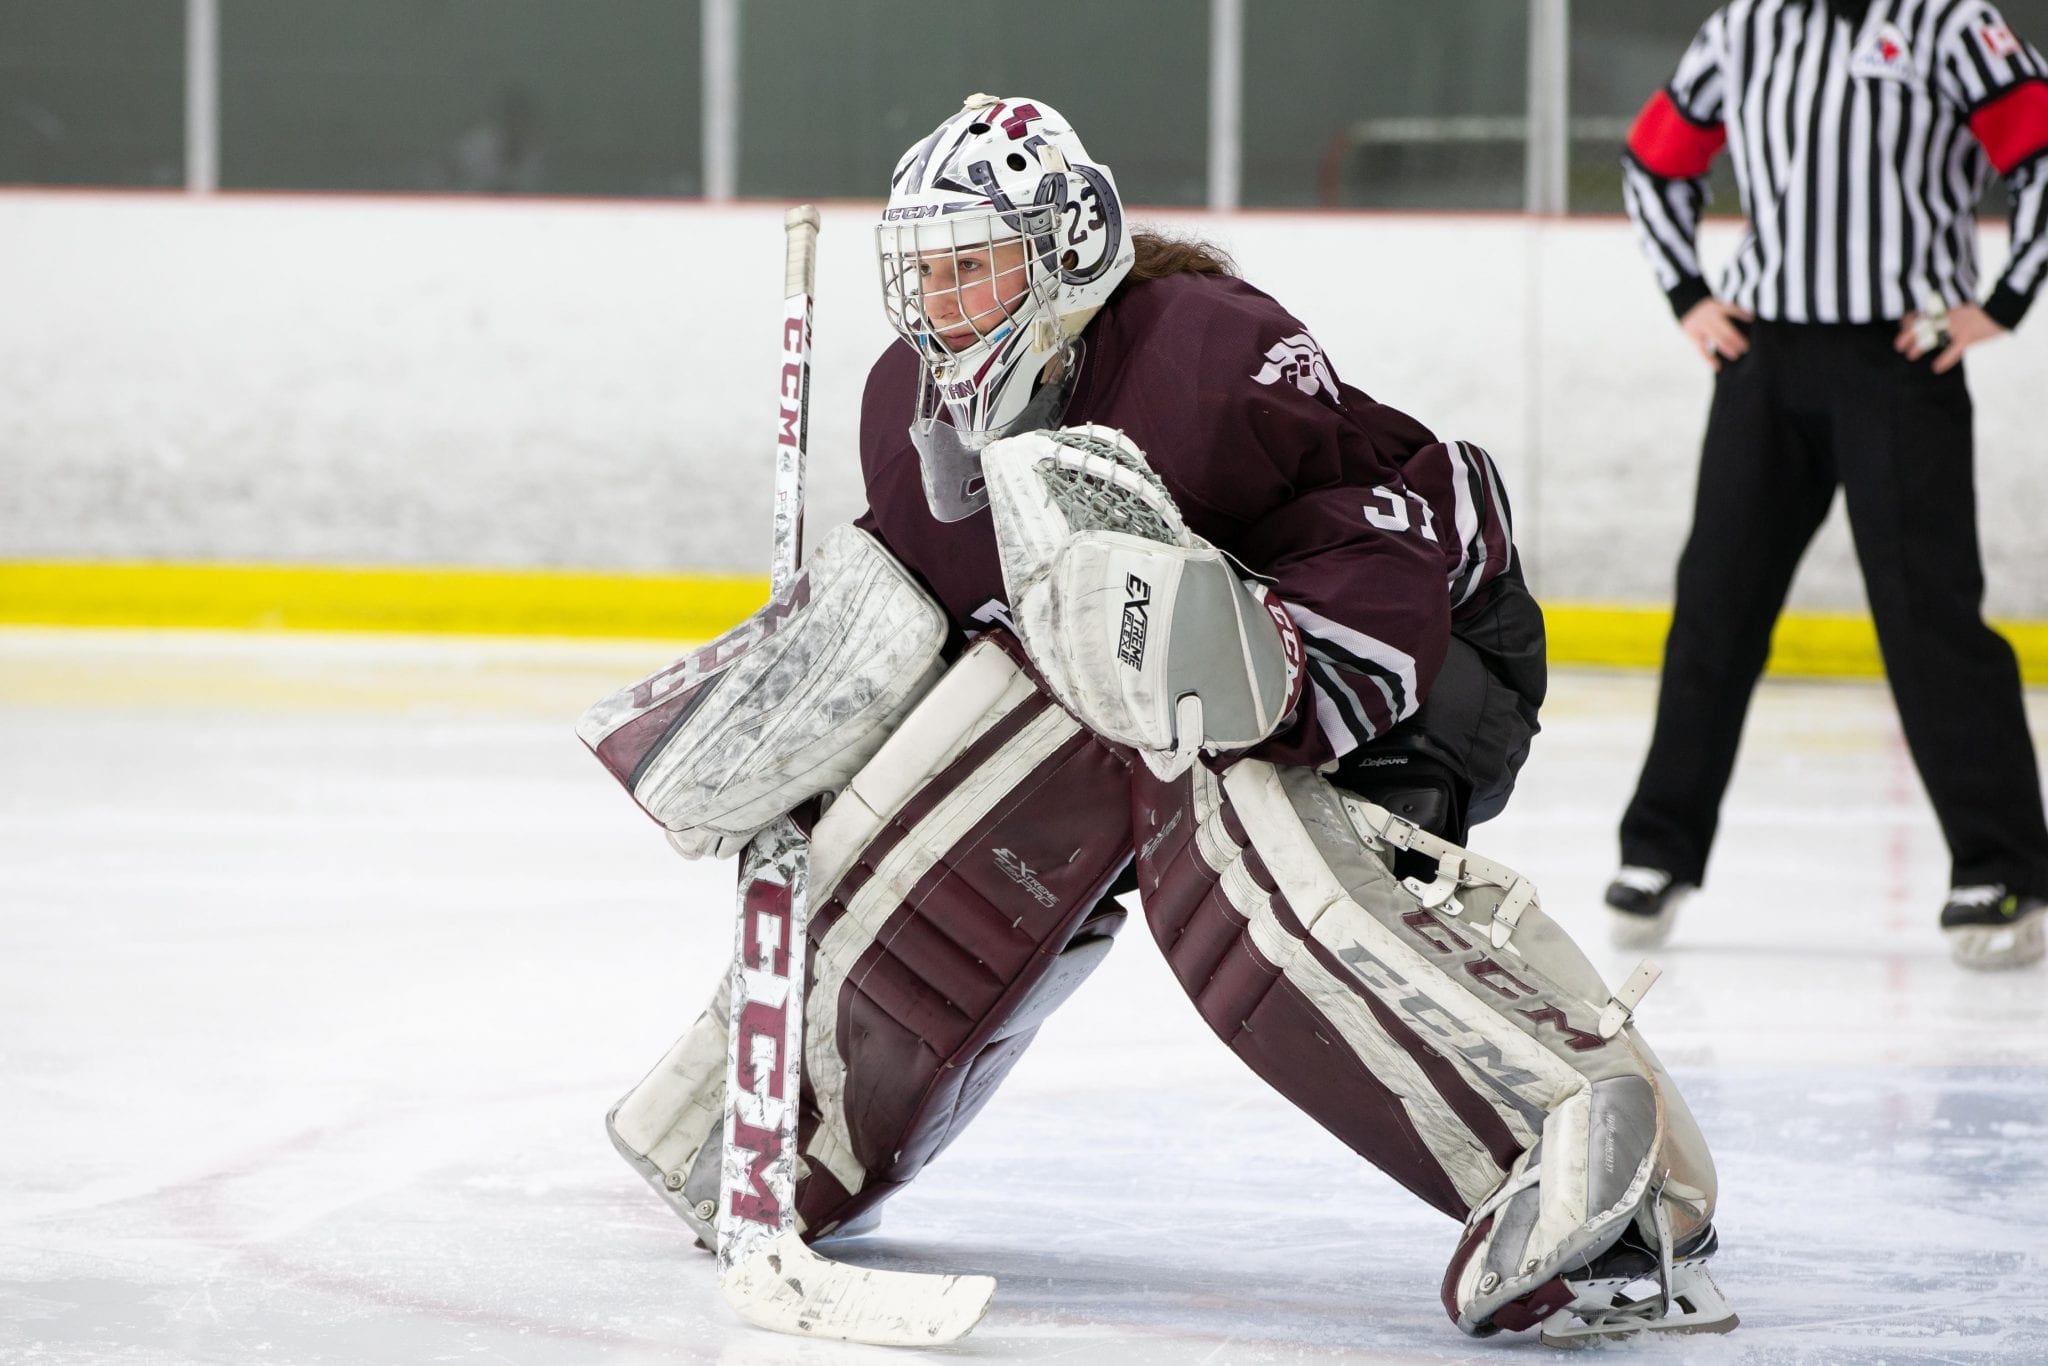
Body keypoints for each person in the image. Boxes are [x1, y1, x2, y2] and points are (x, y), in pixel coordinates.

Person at [581, 95, 1733, 1343]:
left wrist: (1275, 672)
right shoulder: (903, 411)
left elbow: (1388, 541)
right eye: (928, 274)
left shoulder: (1202, 348)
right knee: (999, 758)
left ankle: (1592, 1179)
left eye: (978, 267)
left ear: (1071, 243)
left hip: (1430, 658)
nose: (946, 307)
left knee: (1222, 804)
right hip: (1170, 691)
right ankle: (769, 1132)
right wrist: (805, 723)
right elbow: (961, 661)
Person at [1611, 0, 2048, 969]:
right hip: (1764, 361)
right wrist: (1687, 292)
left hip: (1898, 362)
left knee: (1927, 617)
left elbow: (2040, 146)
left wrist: (2000, 303)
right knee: (1712, 604)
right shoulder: (1745, 28)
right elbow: (1653, 160)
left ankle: (2001, 863)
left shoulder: (1947, 22)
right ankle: (1656, 848)